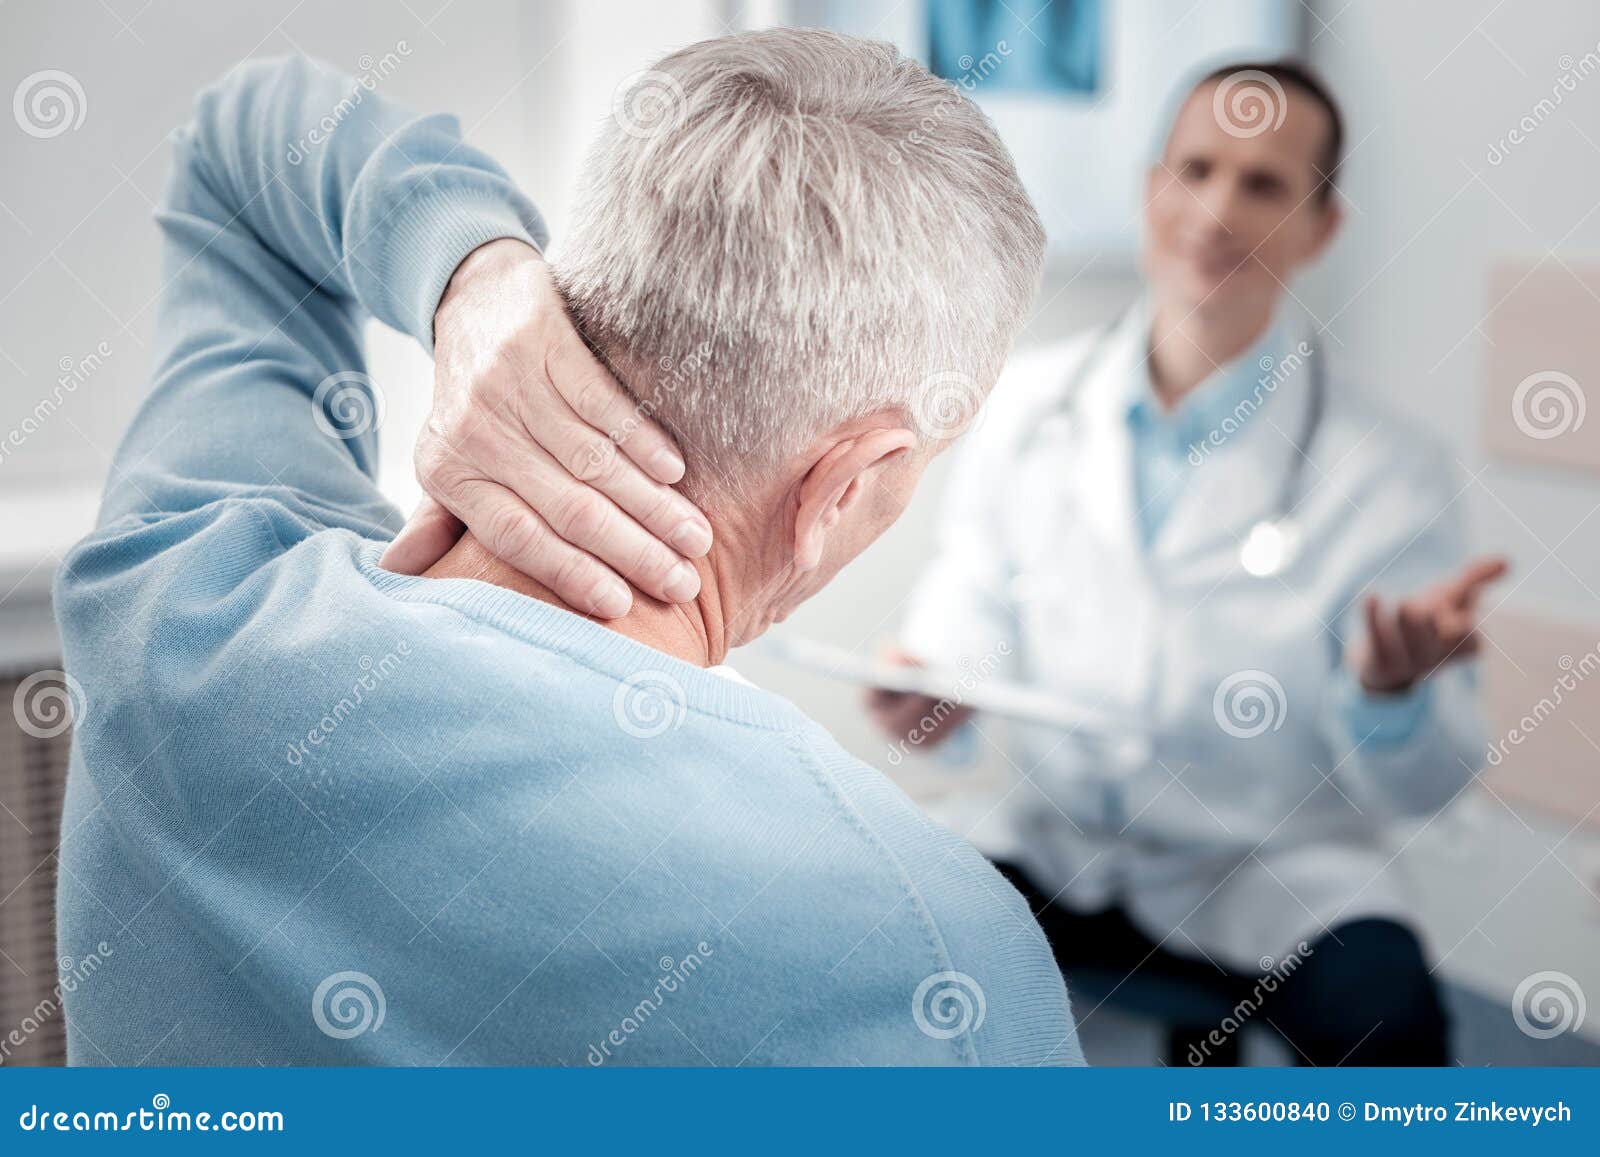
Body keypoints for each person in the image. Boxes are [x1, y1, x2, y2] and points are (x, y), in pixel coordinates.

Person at [52, 34, 1083, 1065]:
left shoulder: (175, 603)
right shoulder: (930, 954)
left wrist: (474, 276)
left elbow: (247, 139)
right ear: (841, 486)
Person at [867, 61, 1506, 1066]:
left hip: (1270, 870)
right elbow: (967, 611)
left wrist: (1391, 697)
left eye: (1262, 184)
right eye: (1195, 169)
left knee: (1393, 1027)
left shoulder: (1388, 471)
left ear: (1319, 228)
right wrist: (933, 694)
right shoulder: (1026, 405)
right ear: (1149, 189)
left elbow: (1421, 787)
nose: (1216, 210)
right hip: (1054, 838)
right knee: (868, 944)